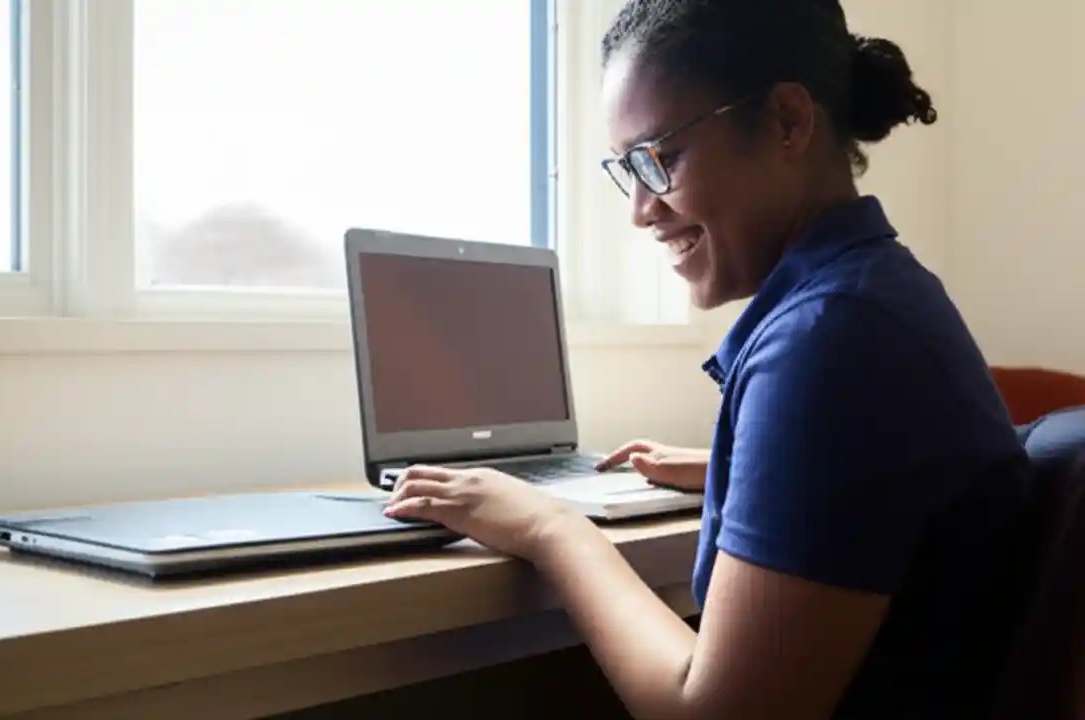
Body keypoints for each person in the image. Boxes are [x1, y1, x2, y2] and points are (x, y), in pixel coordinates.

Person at [383, 0, 1033, 718]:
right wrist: (742, 464)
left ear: (787, 121)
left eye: (659, 159)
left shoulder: (832, 341)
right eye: (626, 168)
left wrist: (550, 527)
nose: (640, 208)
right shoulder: (872, 297)